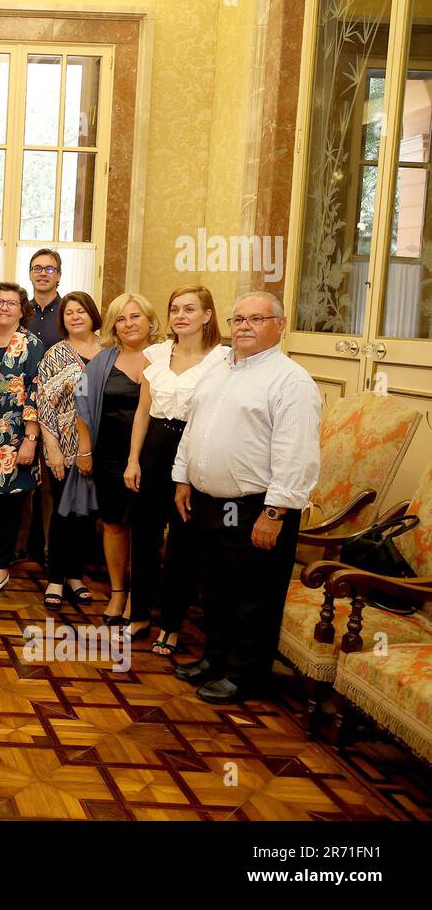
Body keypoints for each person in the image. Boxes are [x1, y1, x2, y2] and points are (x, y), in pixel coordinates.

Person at [172, 292, 320, 704]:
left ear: (280, 324)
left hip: (256, 507)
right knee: (215, 588)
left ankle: (245, 676)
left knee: (252, 595)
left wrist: (274, 513)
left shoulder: (291, 381)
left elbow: (297, 454)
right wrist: (183, 478)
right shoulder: (219, 368)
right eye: (238, 319)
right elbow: (193, 427)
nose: (244, 327)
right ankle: (215, 659)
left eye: (257, 319)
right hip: (208, 502)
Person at [123, 285, 227, 653]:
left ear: (207, 315)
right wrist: (133, 459)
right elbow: (142, 412)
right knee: (145, 537)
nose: (180, 316)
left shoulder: (223, 360)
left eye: (189, 309)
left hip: (194, 452)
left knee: (183, 543)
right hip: (153, 449)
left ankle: (171, 623)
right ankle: (139, 615)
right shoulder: (155, 355)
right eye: (174, 309)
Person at [70, 292, 162, 627]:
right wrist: (85, 450)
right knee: (113, 523)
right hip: (109, 455)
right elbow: (81, 406)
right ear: (113, 326)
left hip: (154, 458)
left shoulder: (166, 359)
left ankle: (140, 597)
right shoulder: (102, 361)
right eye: (121, 319)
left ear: (150, 321)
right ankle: (119, 591)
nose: (128, 324)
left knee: (146, 528)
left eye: (135, 316)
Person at [0, 283, 44, 597]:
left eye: (12, 303)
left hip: (15, 433)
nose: (4, 307)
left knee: (8, 499)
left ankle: (2, 564)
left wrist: (30, 439)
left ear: (21, 310)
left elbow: (36, 392)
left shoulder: (31, 344)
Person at [36, 291, 102, 608]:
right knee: (64, 511)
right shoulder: (55, 354)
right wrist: (52, 448)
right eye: (68, 313)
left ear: (92, 315)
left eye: (81, 311)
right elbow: (44, 405)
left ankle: (76, 574)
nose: (74, 317)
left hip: (102, 447)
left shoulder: (109, 352)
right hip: (65, 445)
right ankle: (56, 578)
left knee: (87, 514)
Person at [20, 248, 64, 567]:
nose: (43, 273)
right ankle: (19, 546)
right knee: (21, 480)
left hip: (57, 411)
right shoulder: (23, 311)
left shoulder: (68, 311)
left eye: (49, 269)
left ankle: (50, 550)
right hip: (20, 409)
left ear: (59, 275)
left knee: (51, 484)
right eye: (37, 268)